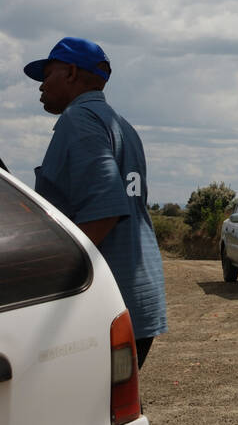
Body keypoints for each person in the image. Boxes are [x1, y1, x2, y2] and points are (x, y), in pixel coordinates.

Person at [24, 37, 167, 370]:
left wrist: (50, 278)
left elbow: (104, 212)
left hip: (103, 303)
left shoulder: (79, 121)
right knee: (112, 409)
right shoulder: (120, 125)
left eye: (47, 74)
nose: (41, 86)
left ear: (71, 72)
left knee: (93, 414)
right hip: (135, 296)